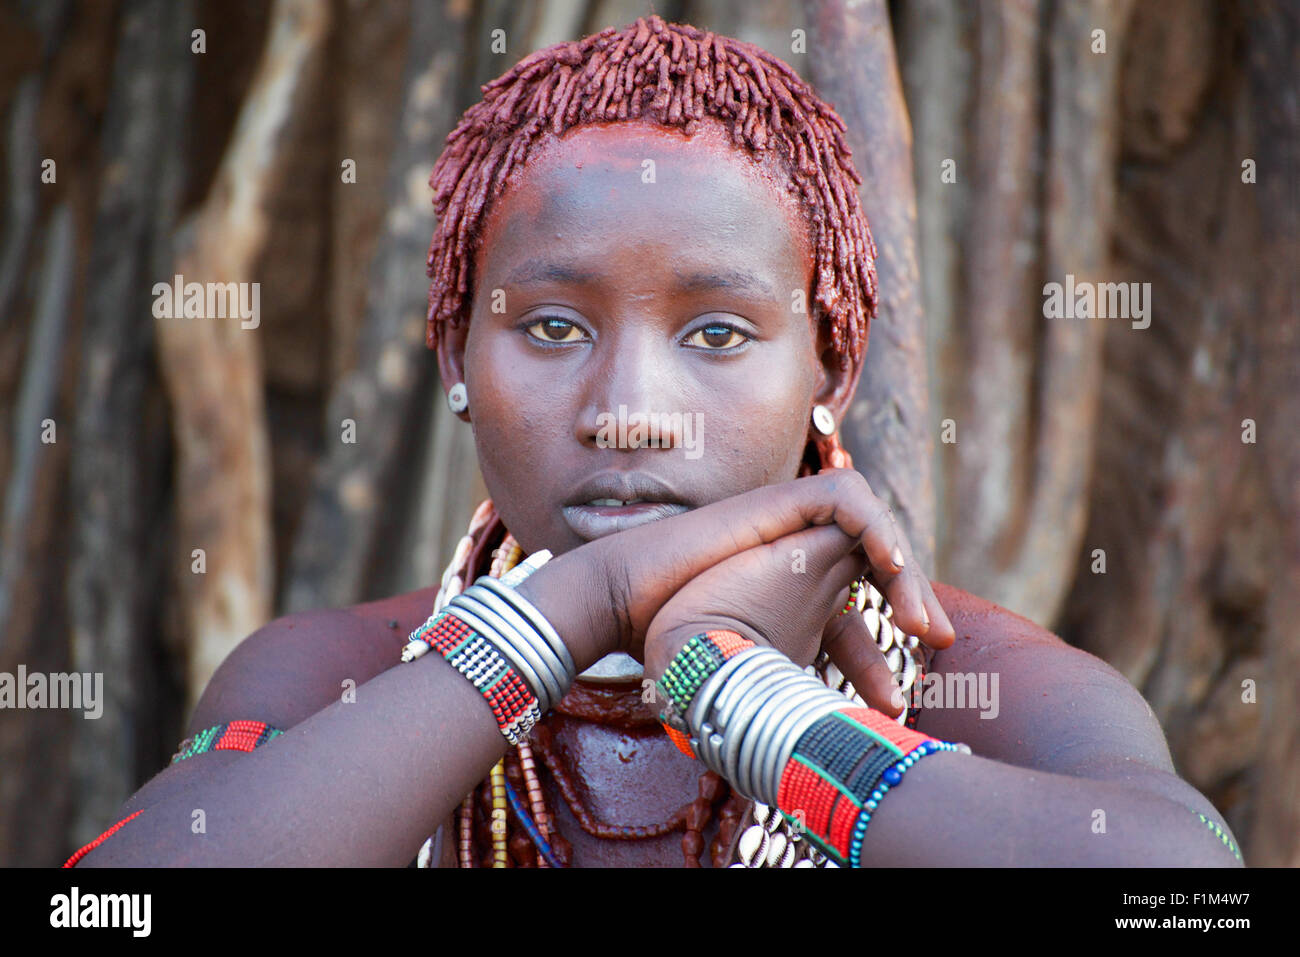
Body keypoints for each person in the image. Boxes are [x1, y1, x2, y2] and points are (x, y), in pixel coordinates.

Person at [68, 15, 1242, 868]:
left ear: (833, 361)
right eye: (553, 326)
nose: (627, 406)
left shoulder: (966, 690)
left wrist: (729, 685)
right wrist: (587, 603)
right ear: (452, 360)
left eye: (718, 332)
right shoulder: (332, 679)